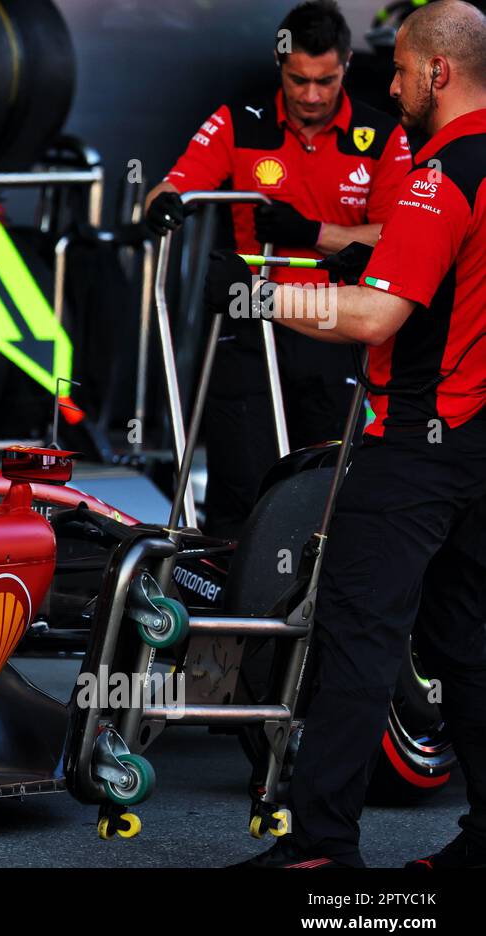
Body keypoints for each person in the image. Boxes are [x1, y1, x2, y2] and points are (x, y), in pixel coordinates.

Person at [204, 0, 486, 868]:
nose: (389, 83)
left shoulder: (443, 174)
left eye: (399, 68)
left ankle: (319, 851)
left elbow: (373, 312)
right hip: (477, 440)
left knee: (356, 634)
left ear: (438, 72)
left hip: (415, 441)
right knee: (467, 641)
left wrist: (259, 295)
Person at [145, 0, 411, 538]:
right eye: (298, 80)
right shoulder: (237, 123)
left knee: (330, 486)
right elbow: (173, 184)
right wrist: (162, 204)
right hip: (250, 324)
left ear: (347, 67)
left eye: (326, 80)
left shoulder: (382, 135)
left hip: (336, 325)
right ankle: (225, 611)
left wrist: (310, 232)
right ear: (279, 64)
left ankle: (311, 610)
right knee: (239, 486)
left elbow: (400, 236)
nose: (311, 95)